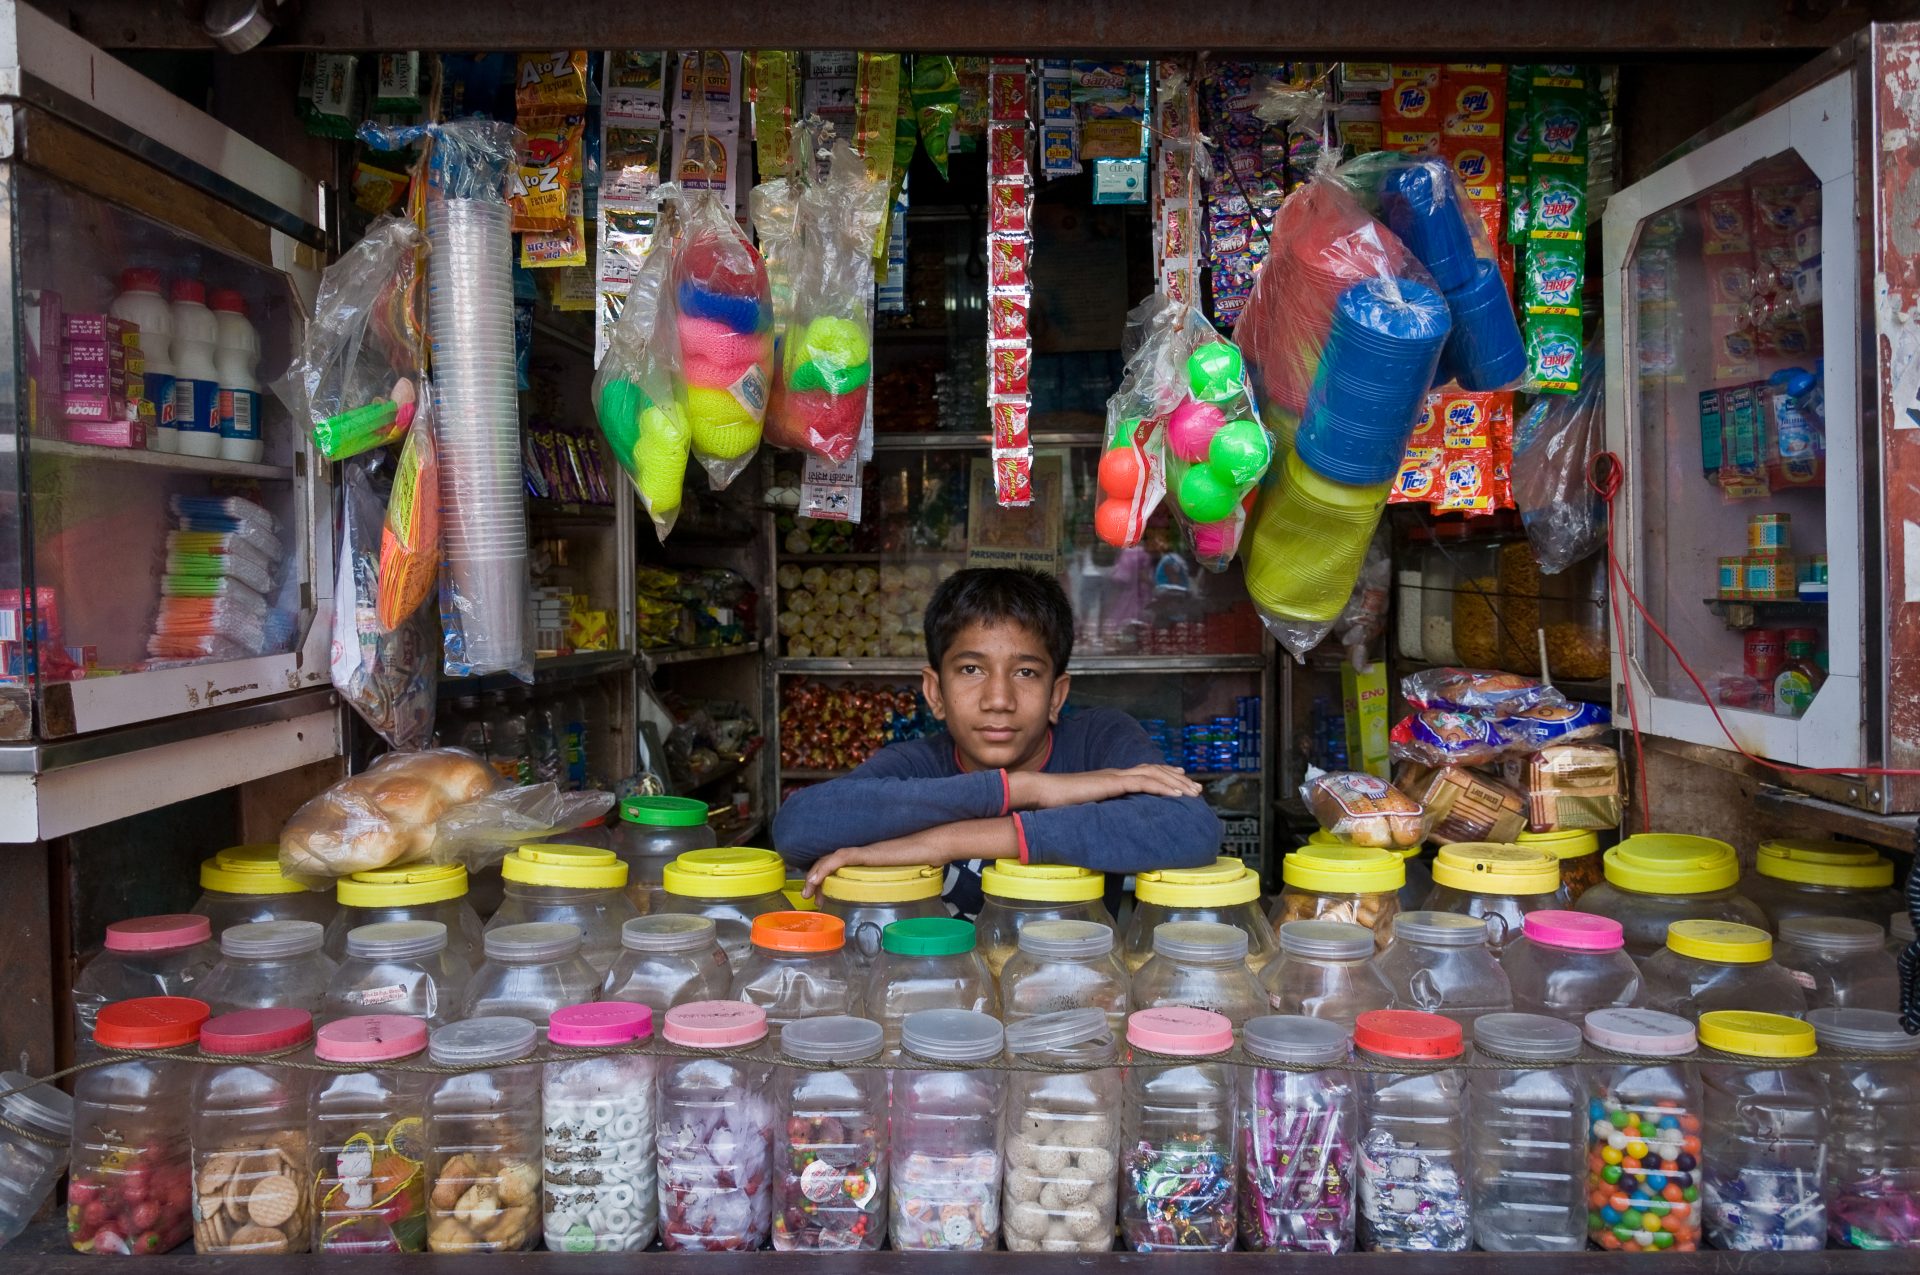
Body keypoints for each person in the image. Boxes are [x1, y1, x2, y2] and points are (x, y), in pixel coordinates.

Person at [775, 566, 1222, 920]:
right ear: (935, 692)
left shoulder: (1099, 741)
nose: (999, 700)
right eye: (971, 669)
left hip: (1071, 993)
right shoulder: (917, 764)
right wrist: (1024, 789)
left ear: (1056, 696)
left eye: (1025, 672)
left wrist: (948, 842)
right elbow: (798, 828)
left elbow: (1191, 828)